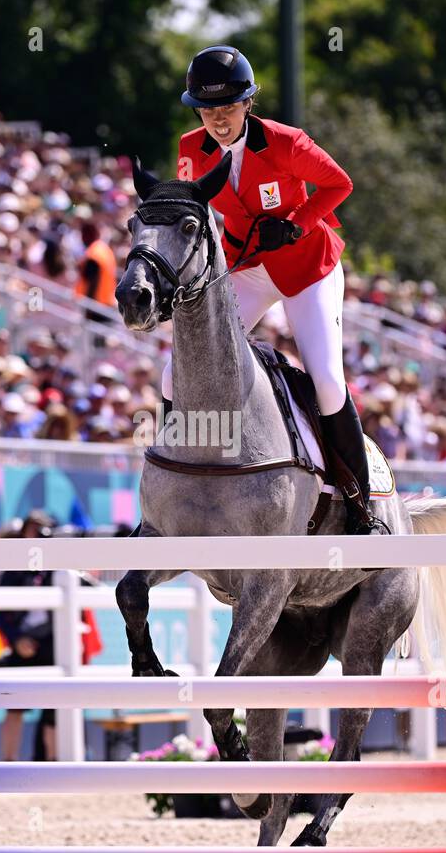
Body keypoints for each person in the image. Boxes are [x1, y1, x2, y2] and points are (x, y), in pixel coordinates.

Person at [165, 45, 386, 533]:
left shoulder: (287, 143)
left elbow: (339, 184)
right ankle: (171, 483)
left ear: (248, 103)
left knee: (327, 379)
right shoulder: (190, 150)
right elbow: (190, 209)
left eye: (226, 109)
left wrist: (294, 223)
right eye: (207, 111)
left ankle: (360, 502)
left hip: (308, 266)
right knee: (172, 374)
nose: (217, 121)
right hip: (247, 266)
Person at [0, 510, 59, 760]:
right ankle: (8, 762)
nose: (37, 534)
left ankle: (54, 764)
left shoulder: (59, 564)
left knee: (55, 708)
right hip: (24, 643)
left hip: (53, 643)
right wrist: (16, 638)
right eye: (32, 528)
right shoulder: (15, 566)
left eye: (43, 528)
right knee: (15, 705)